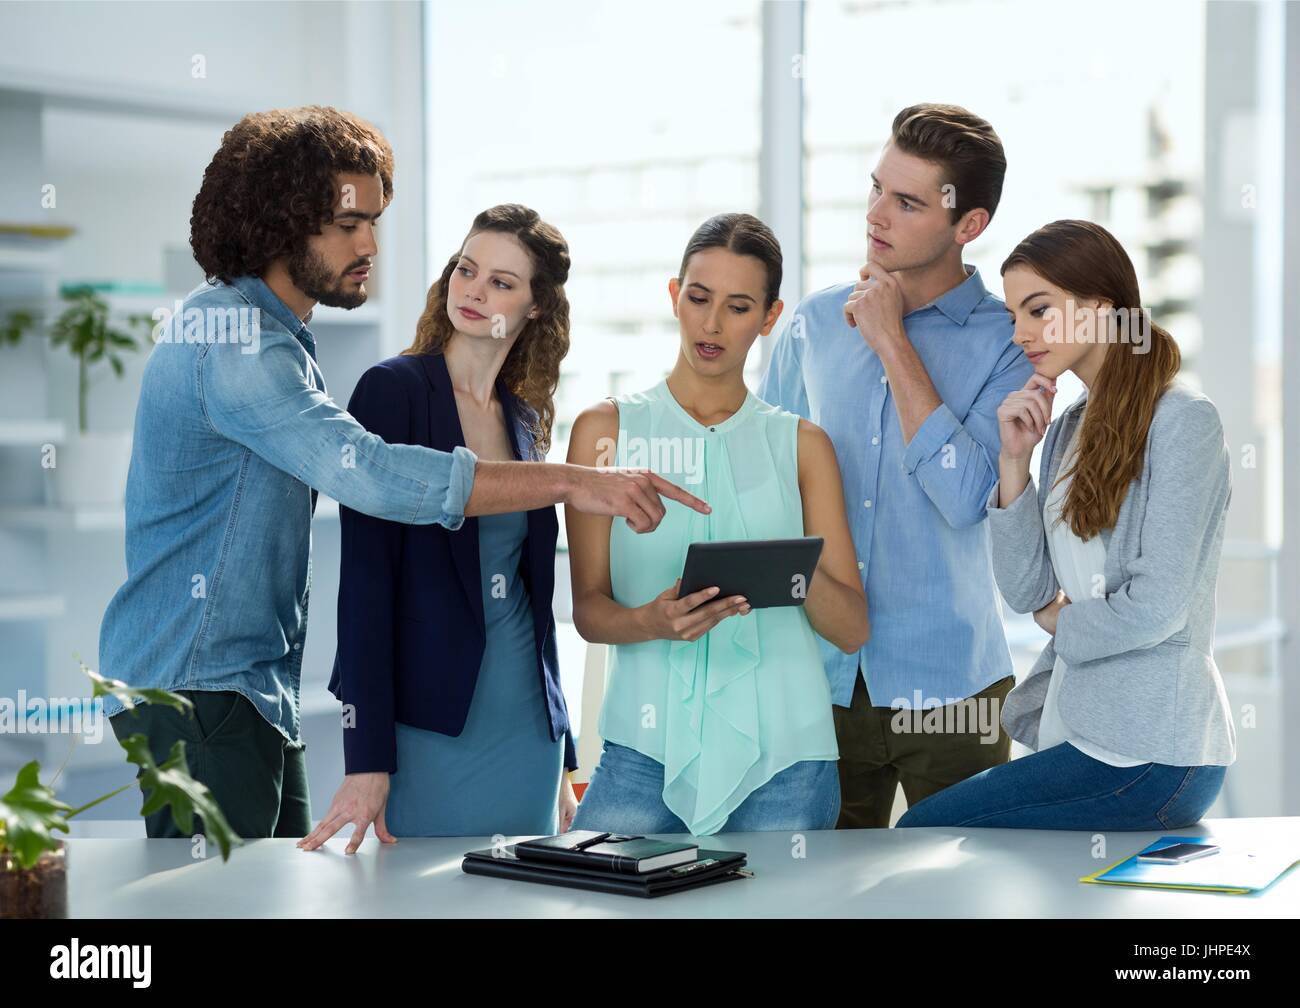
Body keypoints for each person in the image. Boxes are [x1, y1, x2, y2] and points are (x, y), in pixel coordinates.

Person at [98, 106, 708, 841]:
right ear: (280, 220)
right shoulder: (238, 346)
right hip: (203, 687)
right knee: (219, 904)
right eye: (347, 223)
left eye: (375, 222)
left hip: (252, 688)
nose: (370, 244)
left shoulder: (282, 340)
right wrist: (577, 480)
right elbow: (378, 483)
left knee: (262, 895)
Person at [898, 220, 1235, 830]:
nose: (1021, 334)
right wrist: (1013, 462)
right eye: (1014, 315)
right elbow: (1026, 591)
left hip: (1153, 744)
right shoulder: (1066, 429)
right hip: (1087, 727)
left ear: (1100, 308)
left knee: (925, 826)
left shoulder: (1184, 422)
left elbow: (1158, 607)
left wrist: (1064, 622)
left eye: (1039, 311)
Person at [759, 103, 1033, 828]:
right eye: (877, 188)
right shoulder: (814, 325)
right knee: (811, 901)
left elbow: (968, 497)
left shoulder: (1010, 343)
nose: (876, 215)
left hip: (954, 693)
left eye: (907, 202)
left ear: (966, 224)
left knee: (958, 900)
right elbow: (767, 488)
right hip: (817, 684)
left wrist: (892, 344)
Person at [565, 213, 869, 836]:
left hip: (789, 759)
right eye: (699, 299)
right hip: (642, 755)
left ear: (769, 317)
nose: (712, 324)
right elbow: (590, 611)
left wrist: (787, 572)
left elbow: (852, 629)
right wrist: (650, 621)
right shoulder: (605, 432)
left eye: (738, 307)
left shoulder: (804, 445)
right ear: (675, 296)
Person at [299, 205, 578, 849]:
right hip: (428, 727)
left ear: (536, 307)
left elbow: (536, 599)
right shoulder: (392, 391)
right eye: (466, 269)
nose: (474, 290)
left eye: (502, 283)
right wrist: (366, 758)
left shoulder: (526, 418)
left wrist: (562, 755)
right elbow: (365, 586)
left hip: (529, 731)